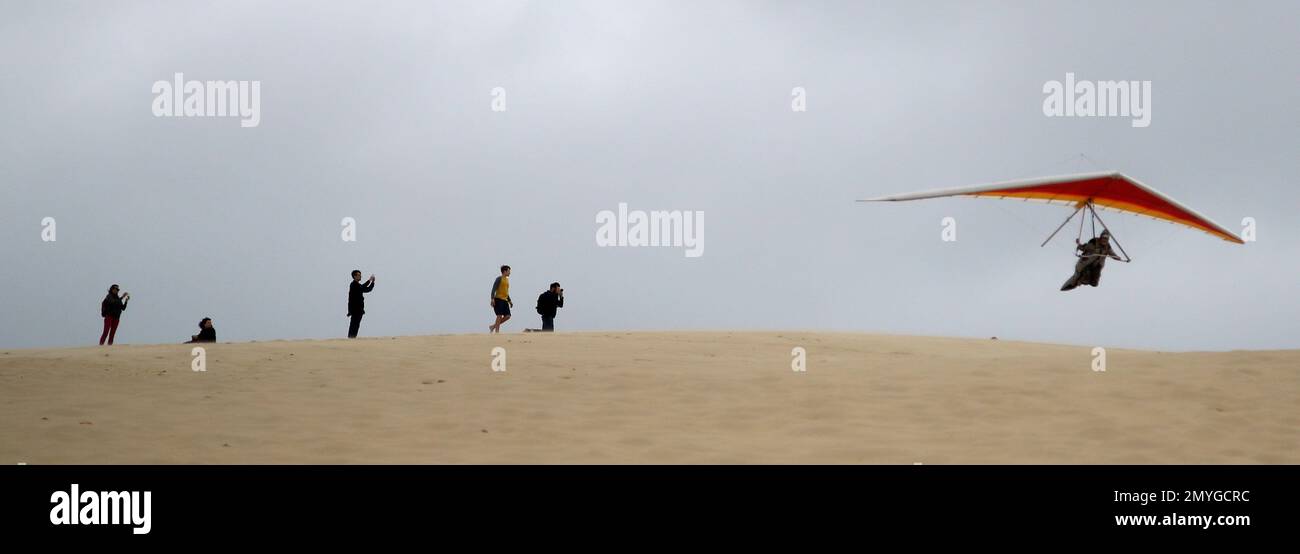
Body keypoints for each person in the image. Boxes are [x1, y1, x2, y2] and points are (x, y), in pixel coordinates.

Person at [347, 270, 376, 338]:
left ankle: (352, 339)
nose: (360, 276)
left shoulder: (358, 285)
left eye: (360, 275)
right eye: (359, 275)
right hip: (355, 310)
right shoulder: (353, 285)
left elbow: (367, 289)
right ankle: (350, 340)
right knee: (353, 326)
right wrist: (369, 280)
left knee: (356, 325)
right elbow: (362, 287)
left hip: (359, 310)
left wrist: (372, 282)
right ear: (354, 276)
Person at [489, 265, 513, 333]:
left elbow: (506, 292)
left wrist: (510, 301)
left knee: (508, 316)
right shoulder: (499, 278)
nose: (509, 272)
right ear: (504, 271)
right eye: (509, 271)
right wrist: (492, 299)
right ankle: (497, 331)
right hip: (498, 299)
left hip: (505, 300)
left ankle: (493, 326)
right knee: (499, 315)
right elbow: (494, 289)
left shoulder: (507, 280)